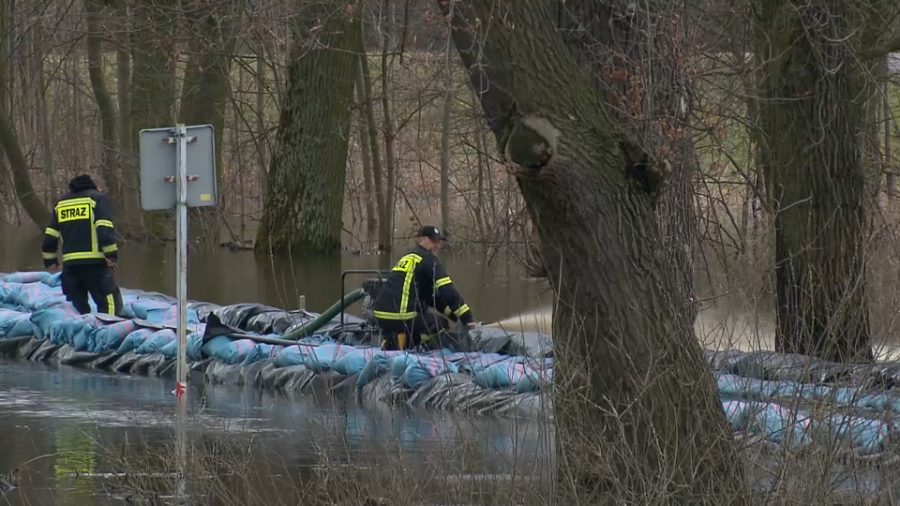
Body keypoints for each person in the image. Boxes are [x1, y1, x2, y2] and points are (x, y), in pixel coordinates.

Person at [373, 225, 478, 350]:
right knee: (440, 324)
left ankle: (395, 343)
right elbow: (448, 291)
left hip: (380, 317)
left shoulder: (408, 257)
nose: (438, 245)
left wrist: (457, 318)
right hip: (402, 317)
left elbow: (432, 298)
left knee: (424, 318)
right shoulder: (427, 259)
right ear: (421, 240)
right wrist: (467, 318)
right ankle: (419, 350)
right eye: (434, 241)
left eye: (439, 241)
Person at [41, 174, 123, 316]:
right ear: (98, 187)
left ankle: (79, 335)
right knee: (109, 303)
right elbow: (104, 227)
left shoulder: (61, 203)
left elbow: (51, 234)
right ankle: (107, 334)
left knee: (77, 309)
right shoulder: (97, 199)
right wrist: (111, 255)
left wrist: (51, 260)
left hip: (71, 266)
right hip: (95, 263)